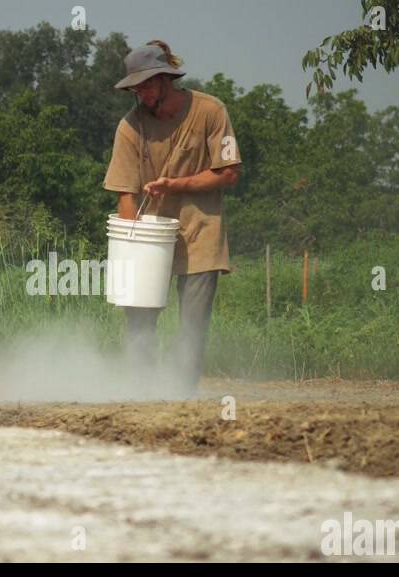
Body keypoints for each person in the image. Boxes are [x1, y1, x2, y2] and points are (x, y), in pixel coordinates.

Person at [103, 40, 242, 397]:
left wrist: (177, 185)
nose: (142, 93)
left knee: (193, 325)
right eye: (136, 87)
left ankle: (181, 396)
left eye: (148, 84)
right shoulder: (130, 127)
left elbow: (229, 173)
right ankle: (141, 392)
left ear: (166, 78)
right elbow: (125, 193)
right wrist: (134, 247)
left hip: (201, 233)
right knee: (139, 318)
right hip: (150, 237)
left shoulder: (211, 111)